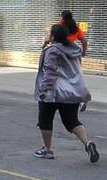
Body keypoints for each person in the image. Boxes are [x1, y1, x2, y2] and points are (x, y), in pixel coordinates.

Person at [35, 23, 100, 162]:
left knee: (45, 120)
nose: (46, 35)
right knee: (71, 121)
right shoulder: (74, 49)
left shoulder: (52, 51)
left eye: (48, 33)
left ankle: (47, 150)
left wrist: (44, 90)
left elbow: (50, 73)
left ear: (53, 36)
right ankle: (87, 143)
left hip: (52, 93)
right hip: (71, 92)